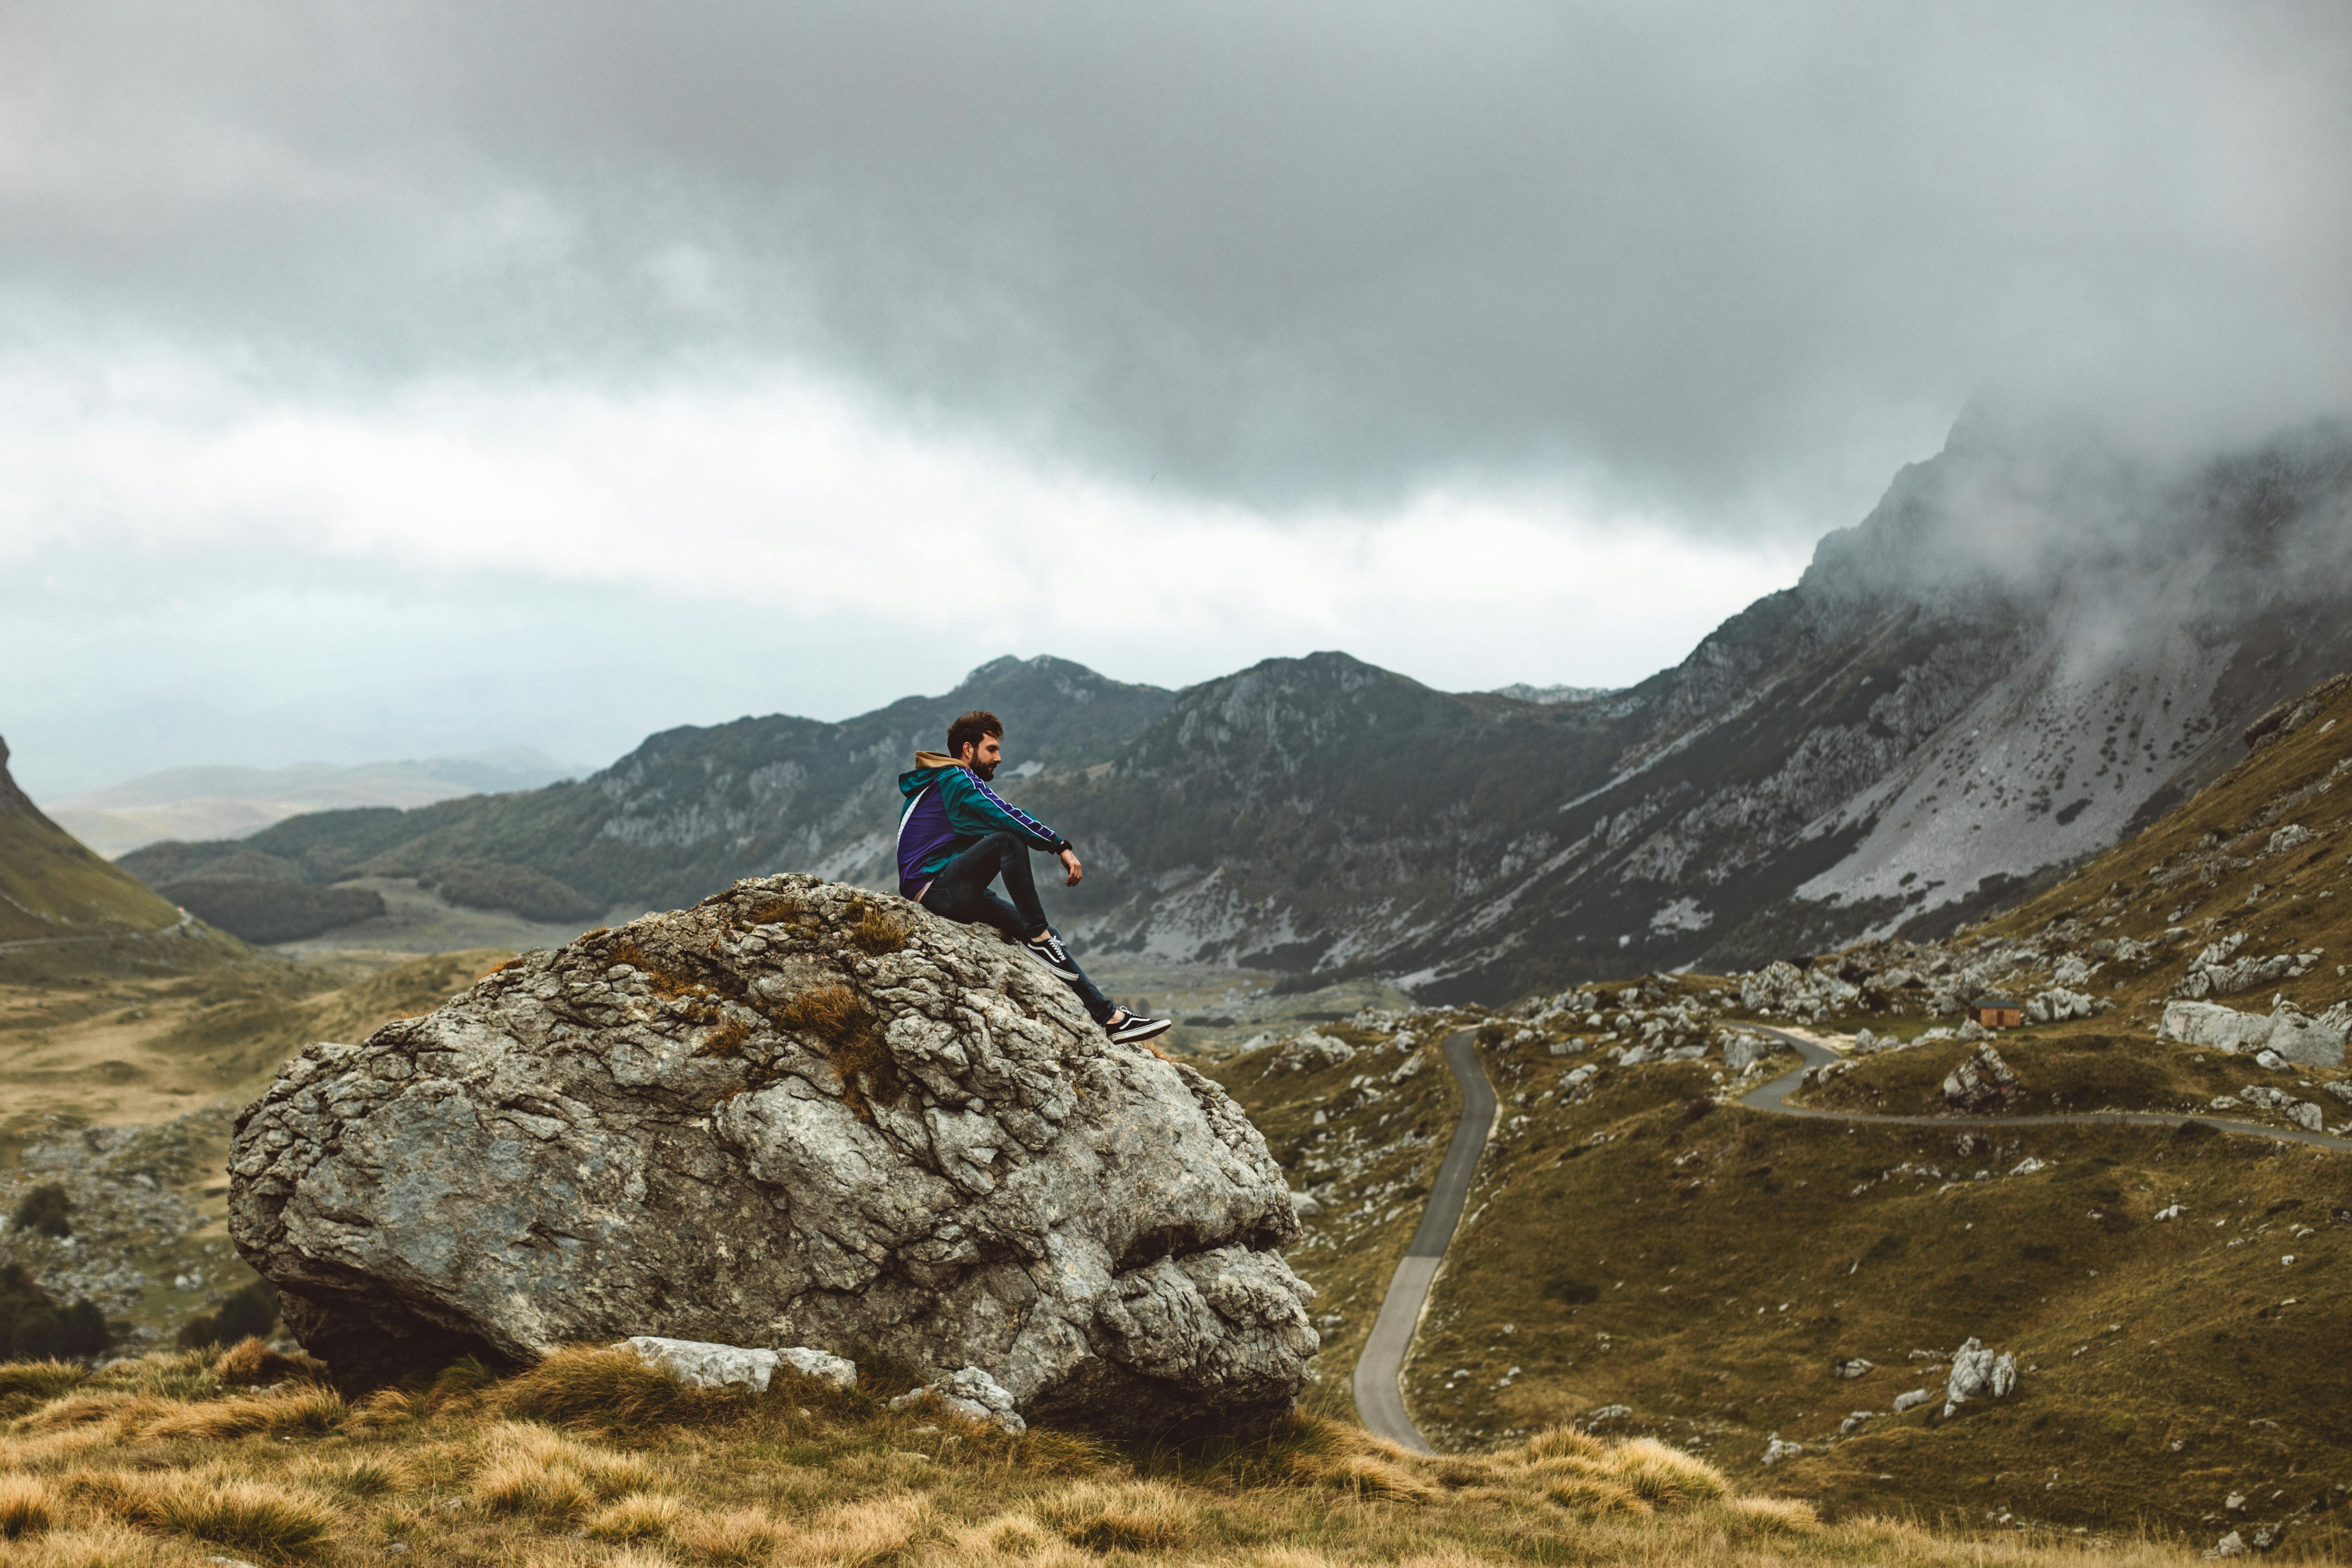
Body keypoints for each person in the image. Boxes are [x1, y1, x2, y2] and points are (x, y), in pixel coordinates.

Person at [897, 709, 1172, 1045]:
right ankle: (1039, 936)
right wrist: (1060, 846)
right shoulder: (956, 778)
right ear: (968, 750)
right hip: (936, 889)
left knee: (1050, 938)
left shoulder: (945, 784)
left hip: (948, 888)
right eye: (992, 749)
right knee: (1008, 843)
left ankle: (1110, 1019)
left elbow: (995, 816)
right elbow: (1006, 815)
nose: (999, 757)